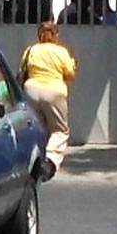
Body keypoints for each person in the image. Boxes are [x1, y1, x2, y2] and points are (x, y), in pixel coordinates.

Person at [23, 21, 78, 172]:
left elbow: (23, 69)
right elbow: (70, 73)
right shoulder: (61, 52)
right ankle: (50, 162)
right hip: (54, 91)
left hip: (31, 90)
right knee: (59, 130)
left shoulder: (31, 50)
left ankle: (34, 159)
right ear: (55, 35)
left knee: (38, 127)